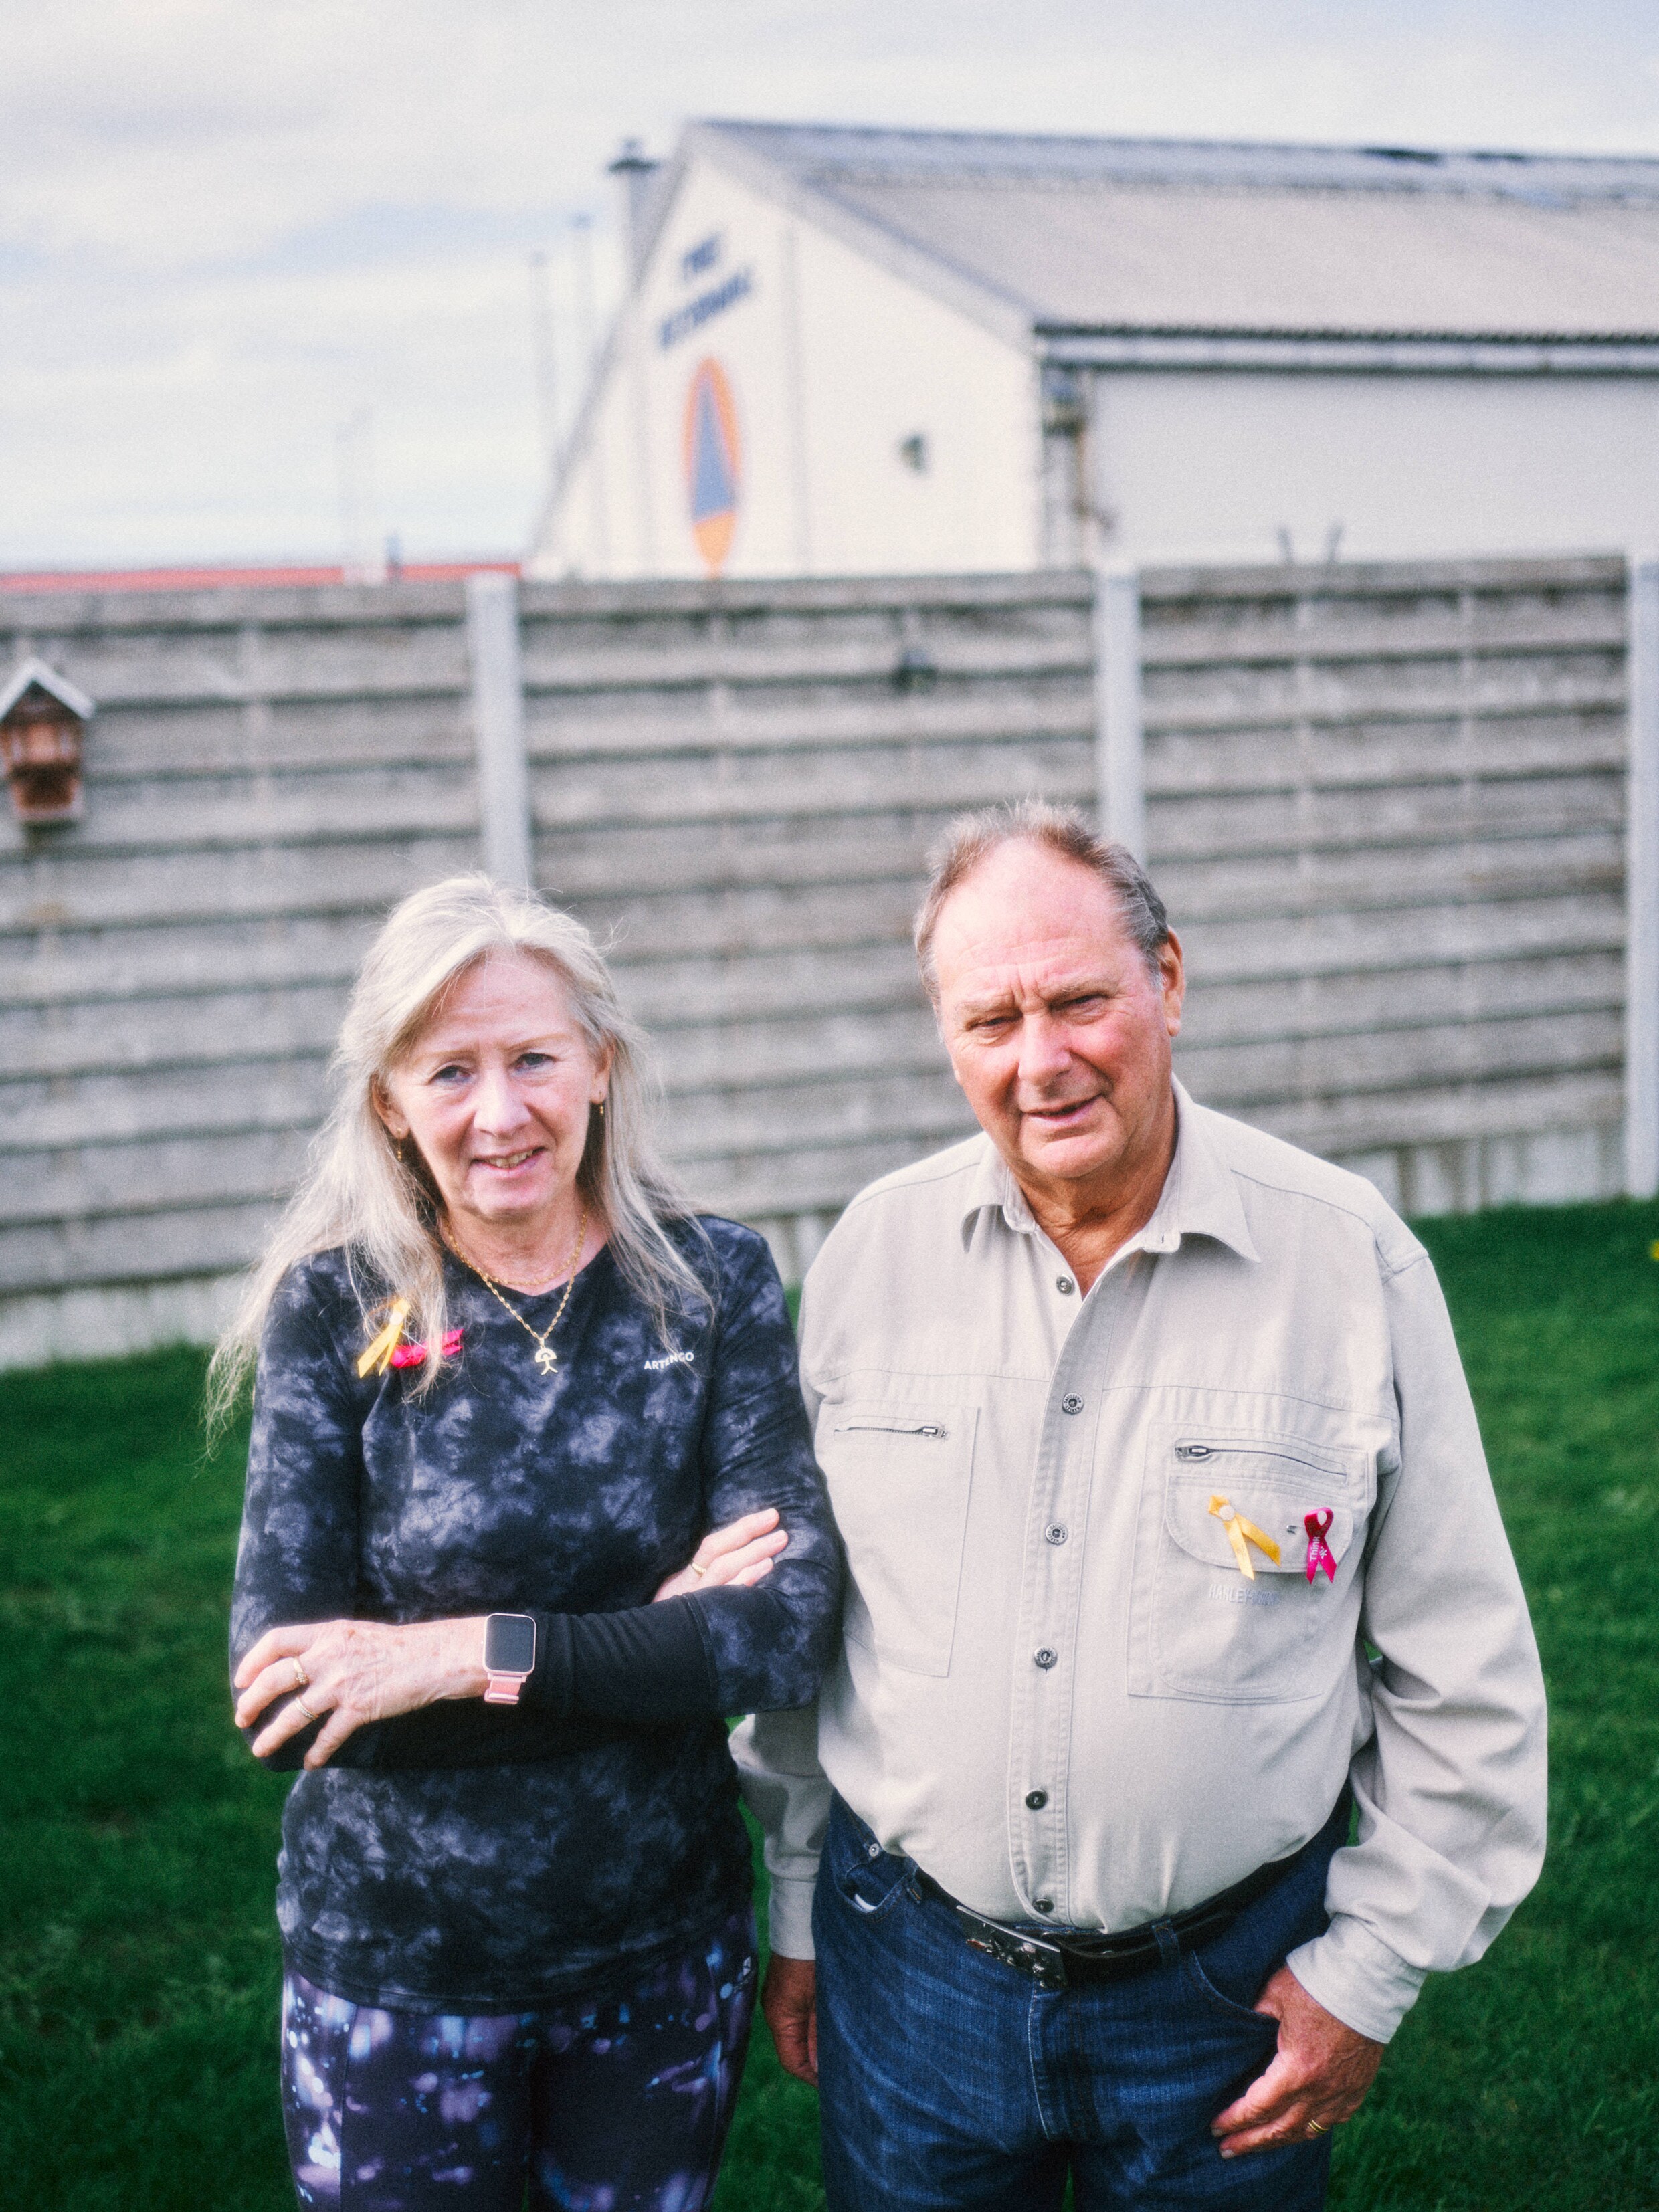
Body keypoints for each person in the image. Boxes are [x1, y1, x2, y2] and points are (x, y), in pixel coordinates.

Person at [733, 800, 1547, 2211]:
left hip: (1222, 2003)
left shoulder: (1348, 1261)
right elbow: (807, 1638)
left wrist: (1368, 1969)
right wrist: (798, 1904)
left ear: (1167, 980)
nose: (1040, 1060)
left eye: (1079, 1001)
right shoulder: (871, 1256)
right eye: (989, 1020)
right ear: (943, 1034)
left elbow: (1461, 1668)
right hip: (911, 1975)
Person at [218, 874, 840, 2212]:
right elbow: (282, 1705)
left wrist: (440, 1655)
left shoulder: (714, 1278)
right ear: (391, 1097)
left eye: (534, 1058)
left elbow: (781, 1629)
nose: (499, 1113)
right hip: (397, 1977)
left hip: (658, 1958)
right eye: (450, 1069)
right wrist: (649, 1645)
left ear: (600, 1067)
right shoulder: (337, 1311)